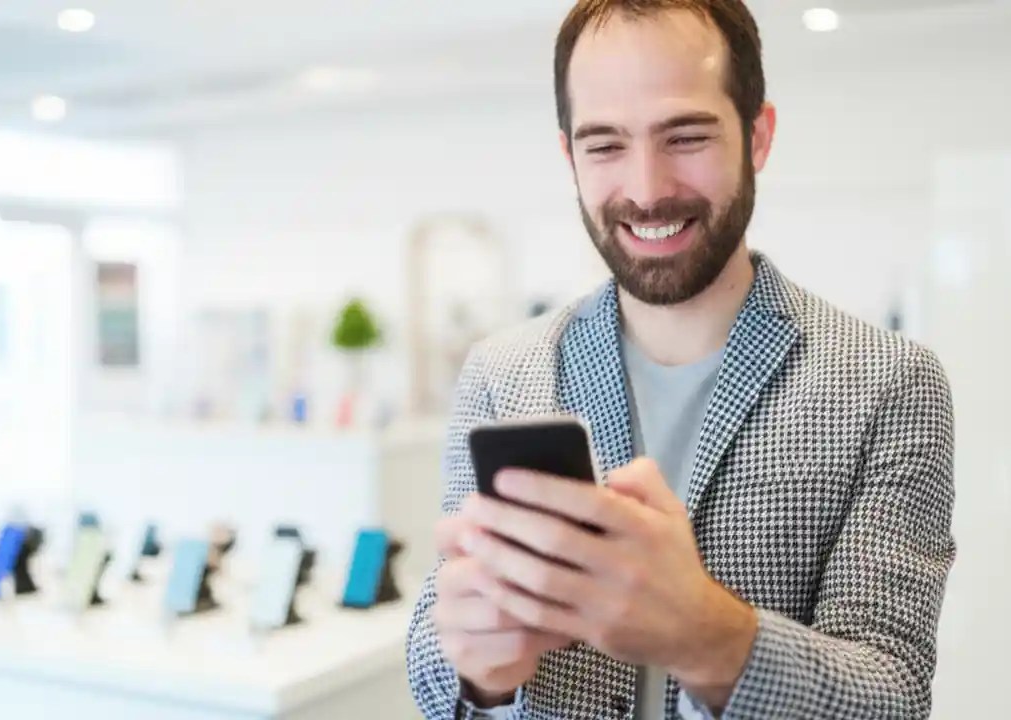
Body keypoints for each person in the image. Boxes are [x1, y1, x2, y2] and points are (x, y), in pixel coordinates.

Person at [405, 0, 956, 718]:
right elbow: (433, 662)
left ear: (757, 136)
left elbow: (893, 695)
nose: (645, 188)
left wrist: (706, 634)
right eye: (605, 146)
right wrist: (480, 674)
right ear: (570, 156)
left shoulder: (888, 382)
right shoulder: (500, 374)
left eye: (685, 136)